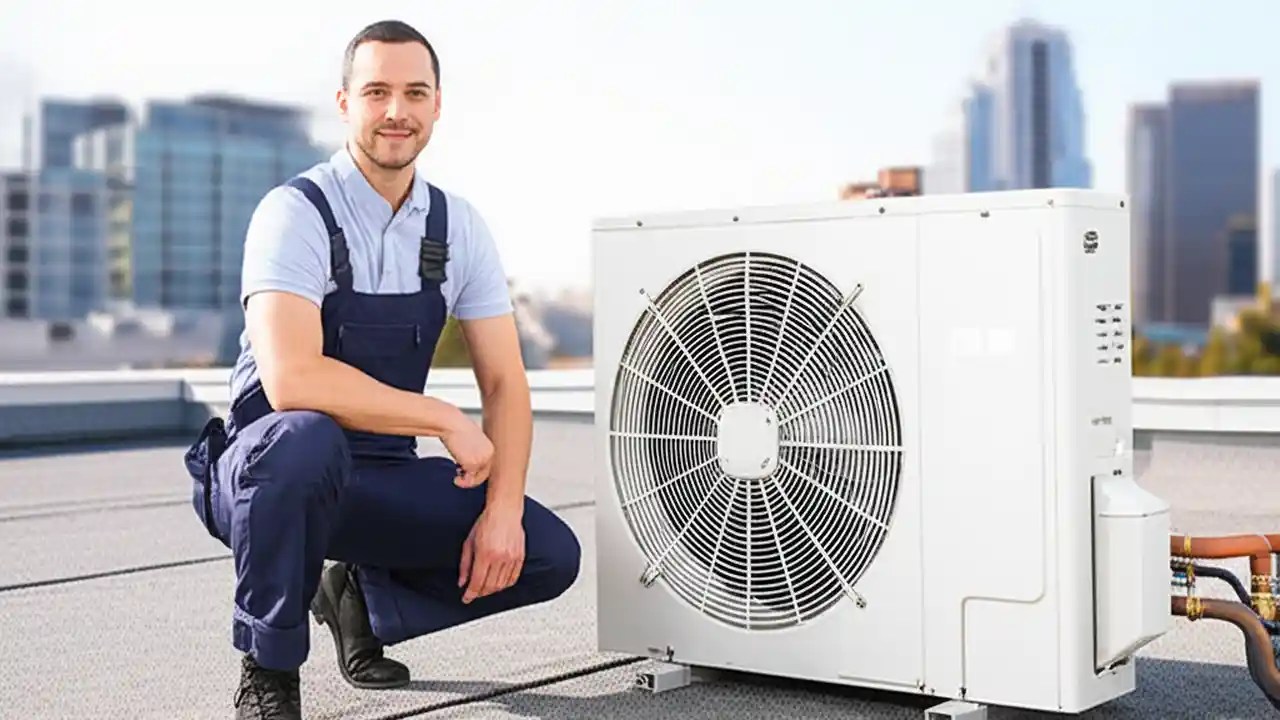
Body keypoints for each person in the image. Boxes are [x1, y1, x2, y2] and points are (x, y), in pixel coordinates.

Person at [181, 19, 581, 720]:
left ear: (436, 106)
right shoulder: (294, 214)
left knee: (546, 552)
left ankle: (359, 599)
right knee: (304, 440)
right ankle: (270, 671)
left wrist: (504, 511)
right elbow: (293, 382)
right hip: (266, 473)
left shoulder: (458, 228)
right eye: (376, 92)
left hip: (378, 476)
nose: (396, 111)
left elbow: (505, 383)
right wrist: (442, 418)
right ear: (345, 104)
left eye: (414, 93)